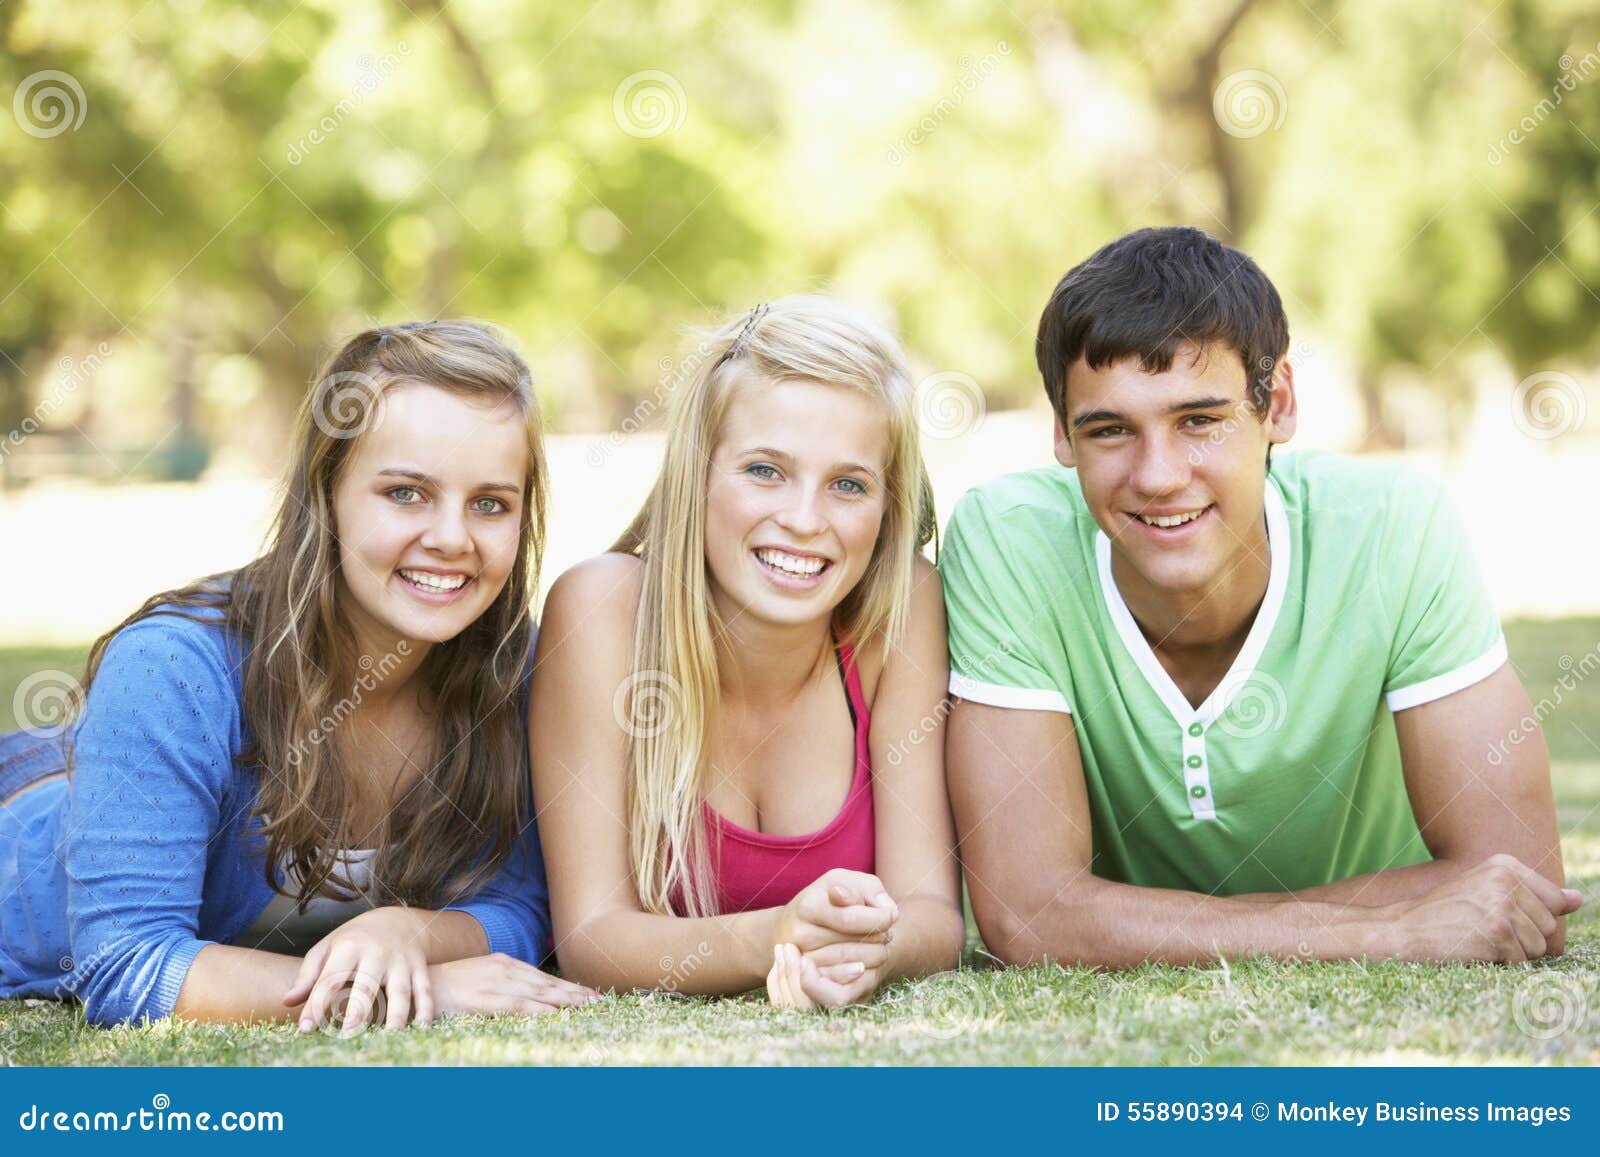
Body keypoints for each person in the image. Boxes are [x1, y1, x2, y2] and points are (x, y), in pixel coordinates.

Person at [941, 227, 1581, 969]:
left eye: (1200, 421)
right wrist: (1390, 932)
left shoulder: (1395, 527)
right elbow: (1031, 912)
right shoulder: (1007, 538)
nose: (1157, 475)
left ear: (1275, 404)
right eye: (1110, 429)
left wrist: (1119, 919)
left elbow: (1520, 891)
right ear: (1061, 434)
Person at [0, 321, 595, 1028]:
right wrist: (402, 994)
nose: (451, 538)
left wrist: (405, 931)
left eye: (490, 503)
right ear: (327, 494)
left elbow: (521, 901)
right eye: (405, 493)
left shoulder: (517, 669)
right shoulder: (171, 668)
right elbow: (130, 965)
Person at [531, 296, 963, 1008]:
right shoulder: (603, 612)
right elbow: (592, 936)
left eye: (848, 484)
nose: (802, 520)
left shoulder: (900, 611)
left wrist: (865, 953)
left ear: (887, 508)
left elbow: (935, 916)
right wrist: (782, 936)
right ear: (697, 473)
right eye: (765, 470)